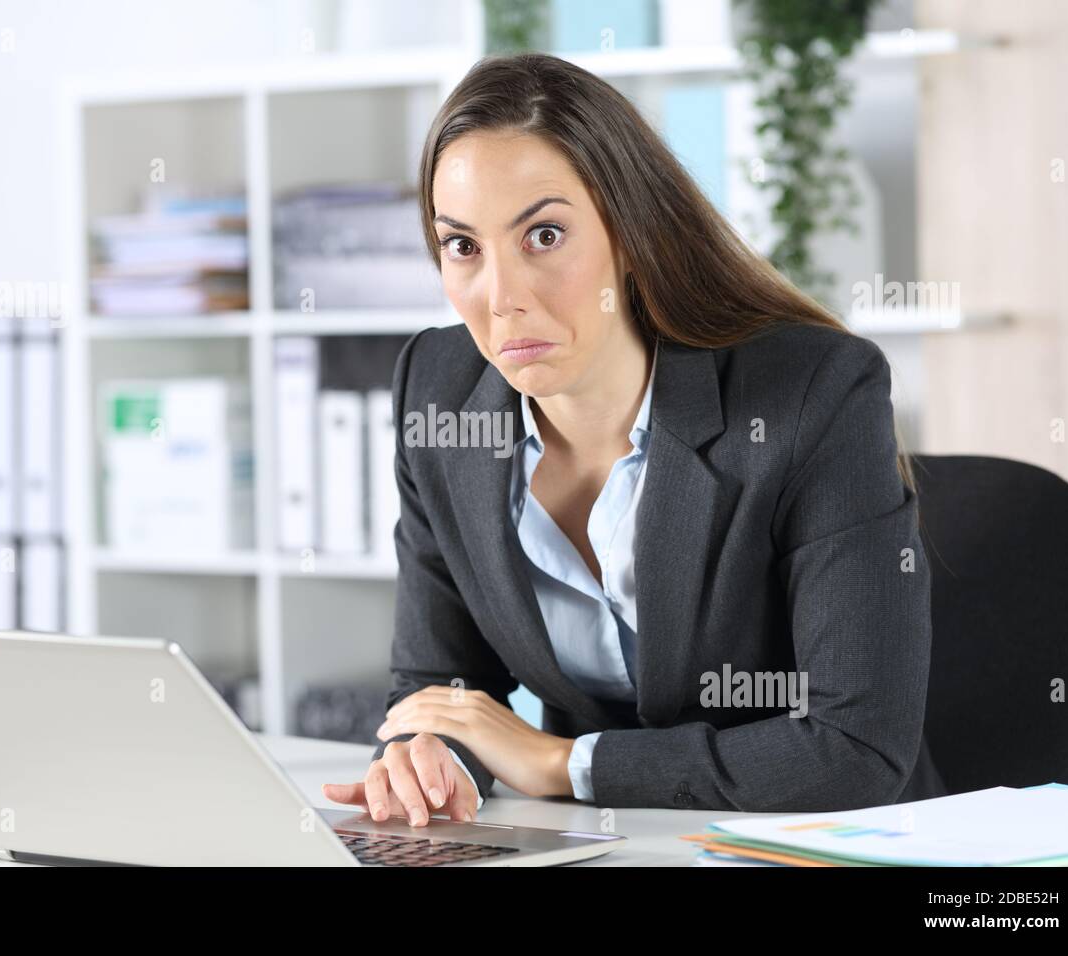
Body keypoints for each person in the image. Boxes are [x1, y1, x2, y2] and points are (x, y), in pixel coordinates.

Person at [322, 52, 944, 827]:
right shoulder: (438, 389)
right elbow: (440, 685)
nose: (502, 299)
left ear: (630, 230)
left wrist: (563, 763)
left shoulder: (813, 393)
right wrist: (428, 756)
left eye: (544, 235)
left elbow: (856, 748)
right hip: (605, 842)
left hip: (816, 842)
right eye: (463, 247)